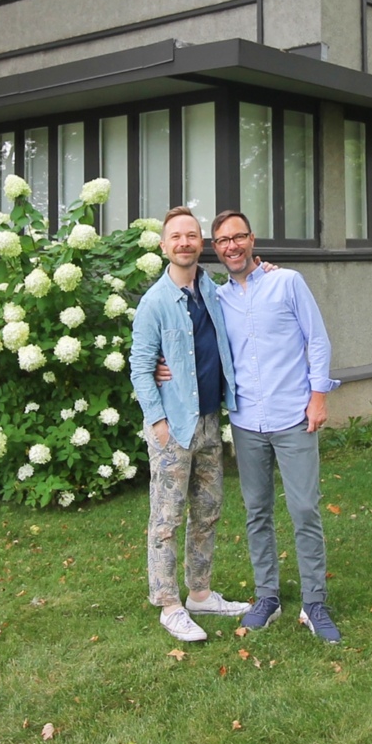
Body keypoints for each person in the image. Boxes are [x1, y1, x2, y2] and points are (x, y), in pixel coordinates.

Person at [210, 209, 342, 642]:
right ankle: (267, 596)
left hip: (293, 417)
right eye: (223, 241)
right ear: (216, 249)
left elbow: (317, 339)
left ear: (252, 240)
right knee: (257, 511)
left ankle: (314, 602)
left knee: (304, 509)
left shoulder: (288, 282)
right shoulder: (218, 299)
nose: (232, 246)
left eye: (238, 237)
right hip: (246, 420)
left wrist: (318, 396)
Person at [129, 206, 250, 642]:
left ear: (202, 243)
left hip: (210, 422)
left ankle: (199, 594)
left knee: (208, 511)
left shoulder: (212, 292)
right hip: (173, 427)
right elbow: (140, 368)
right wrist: (158, 422)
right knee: (166, 519)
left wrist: (265, 269)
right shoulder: (154, 302)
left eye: (192, 235)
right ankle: (168, 605)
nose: (184, 242)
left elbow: (247, 288)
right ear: (164, 245)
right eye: (176, 236)